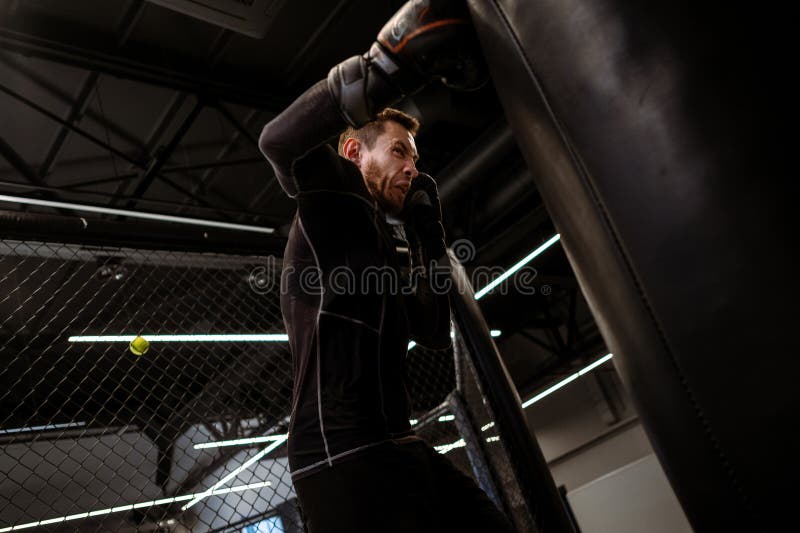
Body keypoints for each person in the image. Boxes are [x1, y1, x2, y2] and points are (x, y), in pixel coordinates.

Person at [259, 1, 514, 531]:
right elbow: (277, 142)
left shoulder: (385, 244)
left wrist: (428, 236)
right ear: (354, 151)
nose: (412, 167)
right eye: (400, 152)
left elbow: (430, 331)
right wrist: (380, 71)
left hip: (395, 441)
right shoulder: (335, 199)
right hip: (339, 456)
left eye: (416, 158)